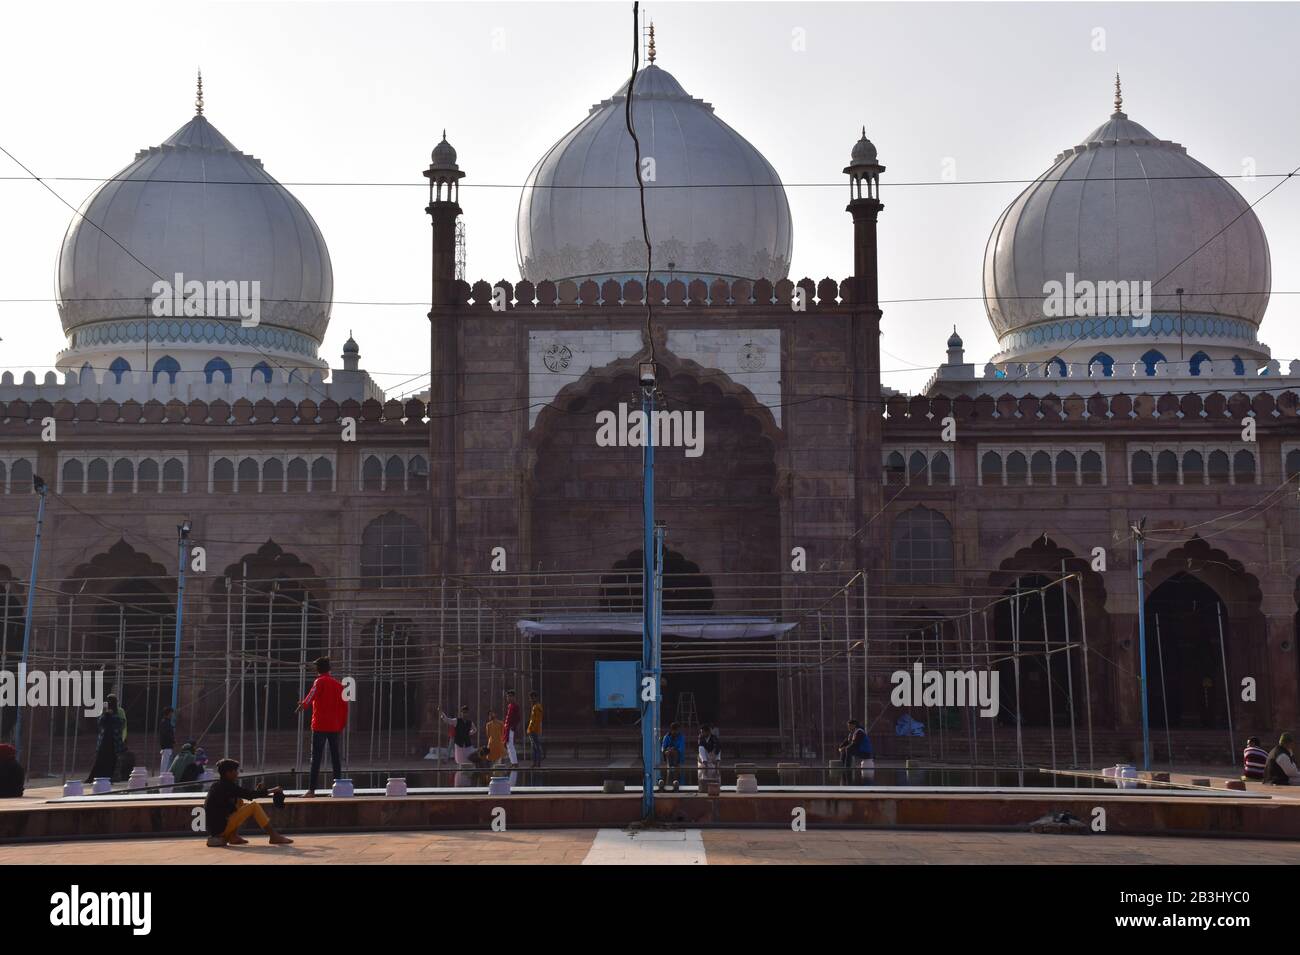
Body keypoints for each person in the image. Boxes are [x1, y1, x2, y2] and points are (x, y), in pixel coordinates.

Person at [204, 758, 293, 847]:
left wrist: (258, 792)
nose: (237, 773)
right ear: (228, 773)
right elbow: (250, 795)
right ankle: (274, 836)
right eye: (235, 771)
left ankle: (233, 836)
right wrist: (274, 790)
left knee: (239, 801)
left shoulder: (218, 785)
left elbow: (245, 794)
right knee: (254, 806)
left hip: (216, 829)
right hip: (220, 830)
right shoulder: (227, 786)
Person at [295, 656, 349, 797]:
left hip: (320, 725)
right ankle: (338, 790)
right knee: (335, 757)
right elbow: (345, 706)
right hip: (334, 726)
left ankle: (312, 790)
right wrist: (341, 723)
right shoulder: (338, 685)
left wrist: (304, 705)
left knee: (316, 758)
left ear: (318, 669)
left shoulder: (319, 681)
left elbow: (311, 695)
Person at [85, 694, 125, 783]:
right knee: (100, 759)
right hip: (104, 740)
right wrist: (105, 713)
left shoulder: (119, 711)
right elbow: (100, 723)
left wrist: (112, 716)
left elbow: (121, 723)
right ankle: (93, 778)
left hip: (114, 740)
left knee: (112, 761)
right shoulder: (103, 711)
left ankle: (109, 778)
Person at [659, 722, 685, 791]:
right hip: (669, 755)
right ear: (672, 730)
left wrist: (674, 749)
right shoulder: (667, 737)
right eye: (675, 730)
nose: (676, 732)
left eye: (677, 730)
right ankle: (669, 768)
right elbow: (663, 747)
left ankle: (675, 768)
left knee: (675, 752)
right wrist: (666, 751)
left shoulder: (681, 737)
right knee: (668, 751)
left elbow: (681, 749)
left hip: (678, 756)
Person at [503, 689, 521, 767]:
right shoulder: (510, 706)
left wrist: (514, 726)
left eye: (510, 696)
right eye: (508, 696)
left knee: (510, 744)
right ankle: (512, 762)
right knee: (508, 744)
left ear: (513, 697)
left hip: (511, 727)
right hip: (507, 727)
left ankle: (515, 762)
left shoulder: (515, 706)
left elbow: (518, 718)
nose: (509, 698)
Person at [527, 691, 544, 768]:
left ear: (534, 697)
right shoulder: (536, 707)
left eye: (531, 698)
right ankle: (536, 763)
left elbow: (535, 720)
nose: (530, 700)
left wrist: (531, 729)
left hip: (534, 730)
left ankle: (536, 763)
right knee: (535, 747)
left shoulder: (536, 707)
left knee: (535, 747)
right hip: (534, 730)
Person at [158, 706, 176, 777]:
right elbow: (166, 734)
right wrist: (172, 739)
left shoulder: (166, 722)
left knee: (166, 761)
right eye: (171, 713)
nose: (172, 715)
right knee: (165, 761)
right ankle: (163, 775)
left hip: (167, 744)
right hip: (166, 744)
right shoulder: (165, 722)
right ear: (169, 713)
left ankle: (164, 774)